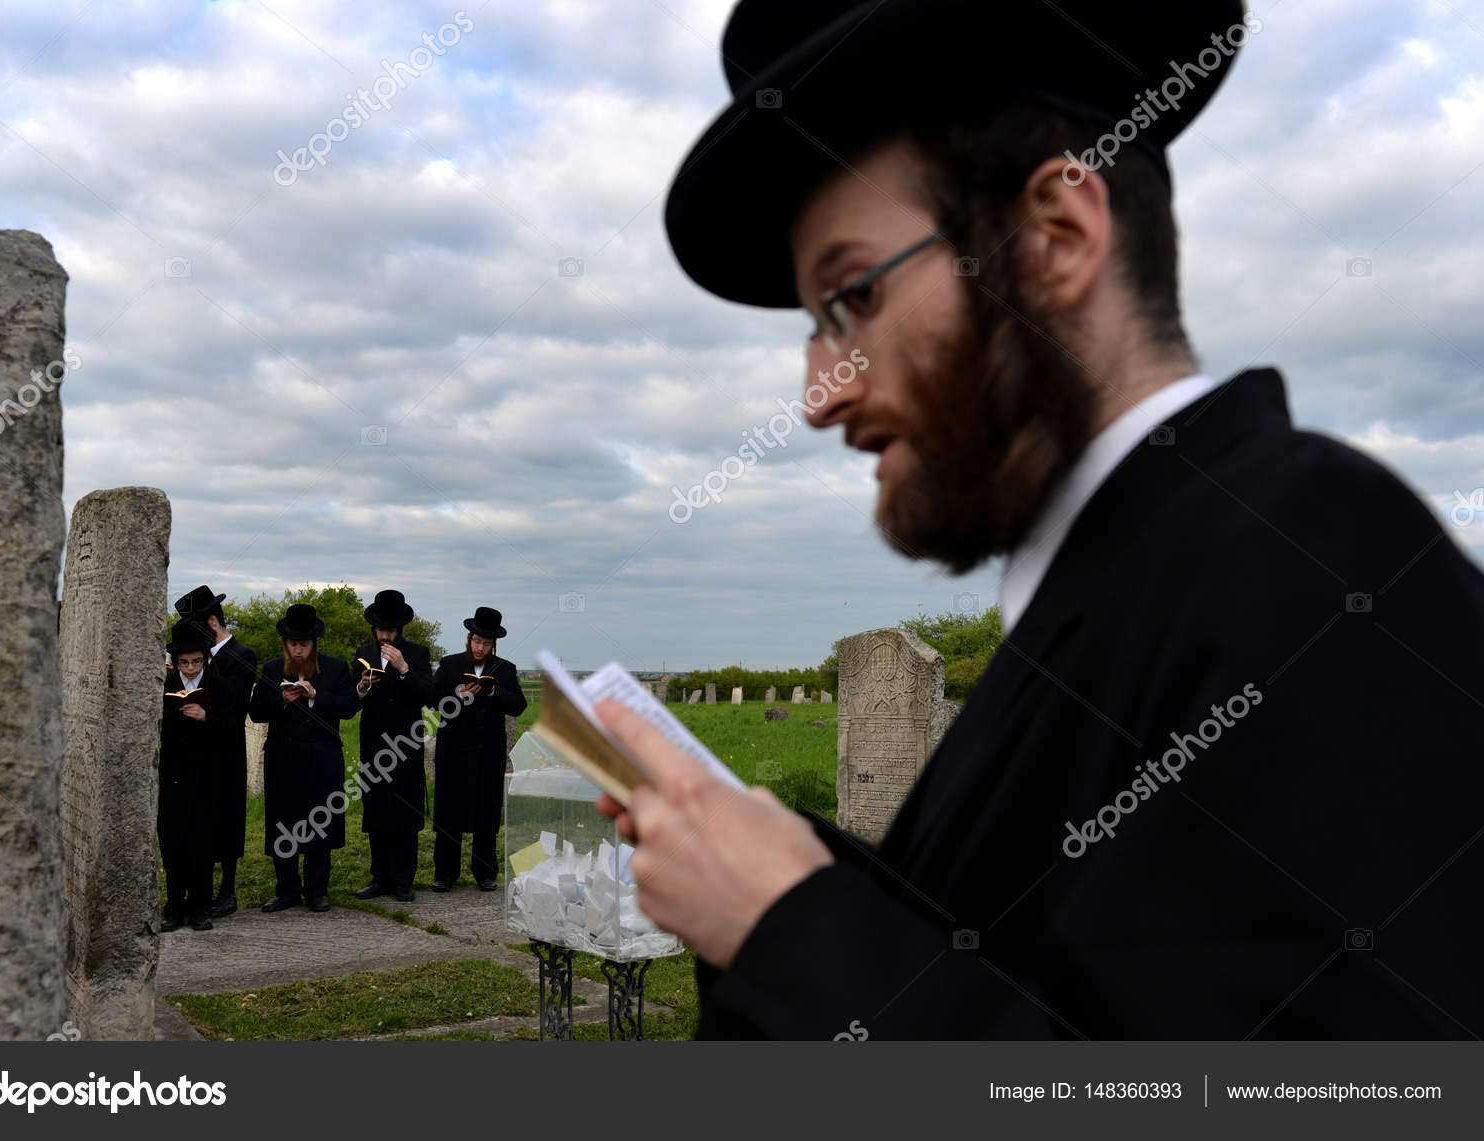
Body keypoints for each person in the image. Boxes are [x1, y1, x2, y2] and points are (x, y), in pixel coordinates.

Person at [596, 0, 1484, 1039]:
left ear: (1055, 237)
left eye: (850, 301)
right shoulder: (1113, 593)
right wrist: (781, 865)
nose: (817, 395)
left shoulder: (1322, 554)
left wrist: (792, 927)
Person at [248, 603, 358, 913]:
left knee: (319, 823)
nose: (298, 650)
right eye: (293, 644)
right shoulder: (271, 669)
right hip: (283, 760)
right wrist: (280, 699)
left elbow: (349, 706)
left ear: (314, 644)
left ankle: (317, 891)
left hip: (322, 760)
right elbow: (256, 712)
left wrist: (315, 697)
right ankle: (287, 890)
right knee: (284, 823)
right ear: (285, 644)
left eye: (304, 644)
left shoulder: (334, 668)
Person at [175, 584, 257, 918]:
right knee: (197, 821)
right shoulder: (189, 656)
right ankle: (198, 888)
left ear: (211, 623)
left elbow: (236, 705)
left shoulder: (242, 655)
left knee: (227, 819)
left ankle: (228, 888)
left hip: (225, 749)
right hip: (192, 753)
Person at [431, 607, 527, 891]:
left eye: (486, 643)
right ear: (468, 638)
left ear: (493, 644)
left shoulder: (505, 670)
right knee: (450, 811)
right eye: (476, 641)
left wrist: (493, 692)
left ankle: (485, 873)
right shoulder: (449, 665)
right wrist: (456, 695)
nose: (480, 647)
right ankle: (445, 874)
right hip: (453, 750)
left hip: (488, 751)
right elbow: (432, 698)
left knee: (486, 810)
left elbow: (519, 705)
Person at [352, 590, 434, 902]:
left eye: (390, 630)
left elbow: (428, 694)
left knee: (404, 812)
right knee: (377, 810)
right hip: (373, 742)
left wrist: (404, 669)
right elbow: (351, 699)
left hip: (405, 744)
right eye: (380, 629)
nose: (384, 635)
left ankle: (404, 880)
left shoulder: (417, 653)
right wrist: (361, 686)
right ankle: (380, 877)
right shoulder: (363, 652)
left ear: (400, 629)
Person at [158, 619, 235, 933]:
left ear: (206, 658)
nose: (189, 668)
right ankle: (174, 906)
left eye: (196, 661)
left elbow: (231, 728)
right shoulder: (163, 686)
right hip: (173, 776)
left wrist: (207, 717)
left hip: (207, 776)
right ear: (174, 661)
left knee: (201, 843)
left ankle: (200, 906)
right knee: (173, 842)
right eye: (183, 662)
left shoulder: (220, 686)